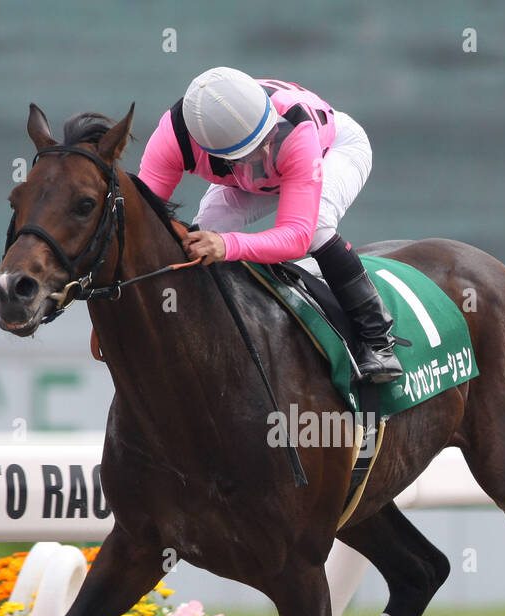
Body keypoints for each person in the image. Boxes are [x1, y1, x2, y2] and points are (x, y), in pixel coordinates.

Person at [137, 66, 403, 383]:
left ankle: (377, 340)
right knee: (205, 229)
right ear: (210, 151)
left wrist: (228, 246)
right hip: (251, 182)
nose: (265, 150)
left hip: (331, 150)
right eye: (250, 151)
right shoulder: (172, 138)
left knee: (316, 226)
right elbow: (143, 215)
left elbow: (296, 238)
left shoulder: (294, 129)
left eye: (266, 137)